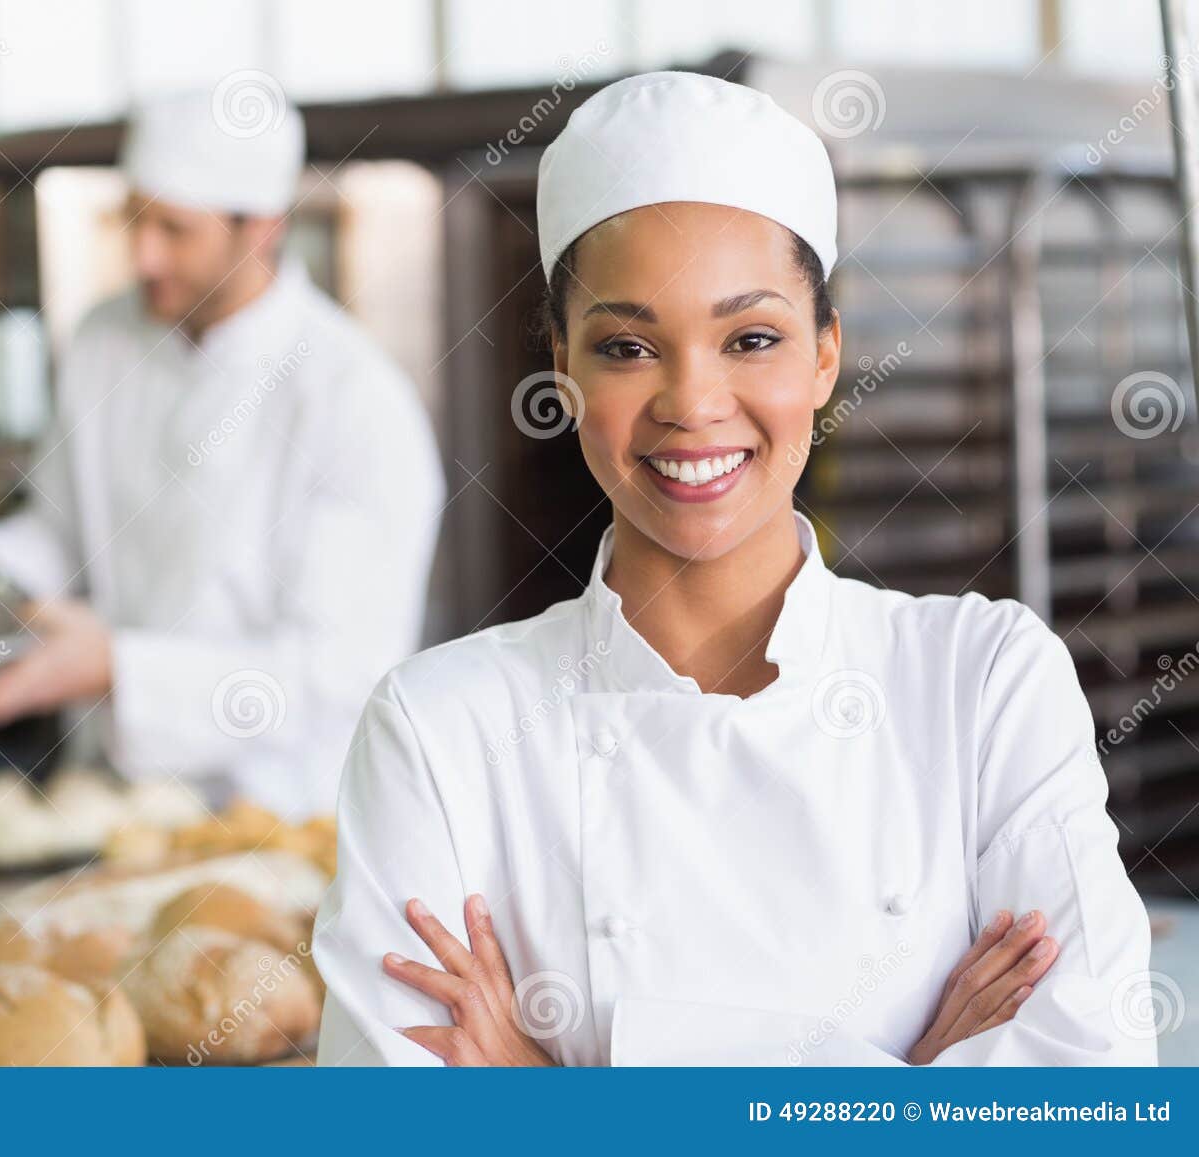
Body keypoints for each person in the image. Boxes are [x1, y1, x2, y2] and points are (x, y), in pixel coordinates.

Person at [312, 71, 1156, 1066]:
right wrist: (913, 1085)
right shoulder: (437, 729)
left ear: (825, 355)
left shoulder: (983, 679)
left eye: (750, 337)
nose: (693, 402)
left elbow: (1086, 1100)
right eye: (627, 346)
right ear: (562, 368)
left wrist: (548, 1097)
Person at [0, 90, 444, 819]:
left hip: (279, 816)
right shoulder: (105, 341)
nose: (144, 255)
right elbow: (64, 532)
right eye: (135, 217)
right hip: (107, 804)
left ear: (261, 227)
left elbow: (337, 673)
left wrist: (121, 669)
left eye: (175, 229)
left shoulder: (352, 398)